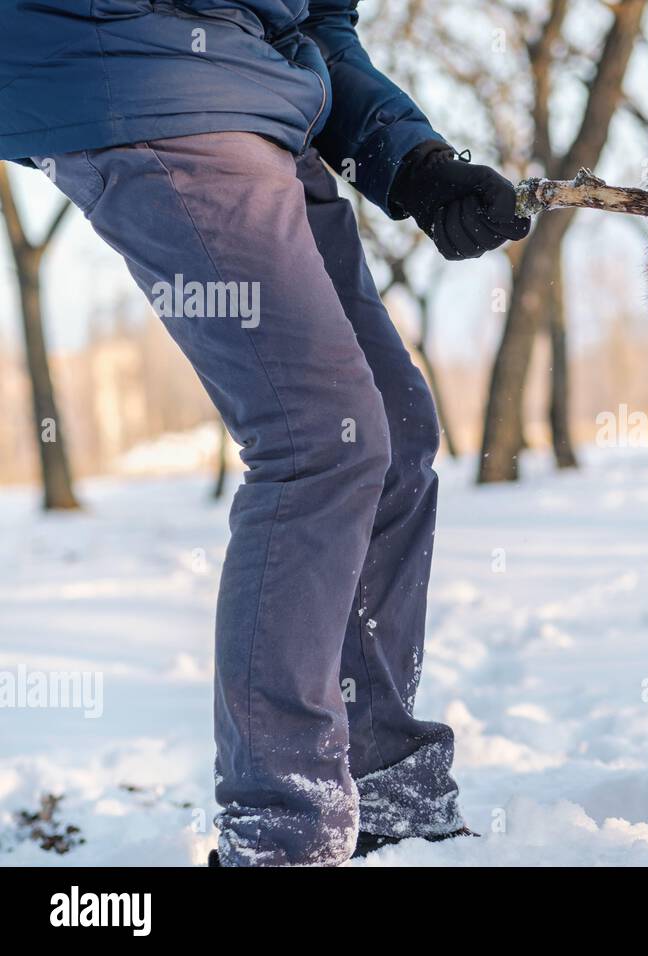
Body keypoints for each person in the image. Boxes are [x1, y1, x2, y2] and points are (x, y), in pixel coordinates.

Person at [0, 0, 530, 866]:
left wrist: (419, 164)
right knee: (321, 436)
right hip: (143, 72)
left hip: (263, 94)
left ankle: (384, 784)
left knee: (390, 435)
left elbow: (314, 27)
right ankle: (283, 828)